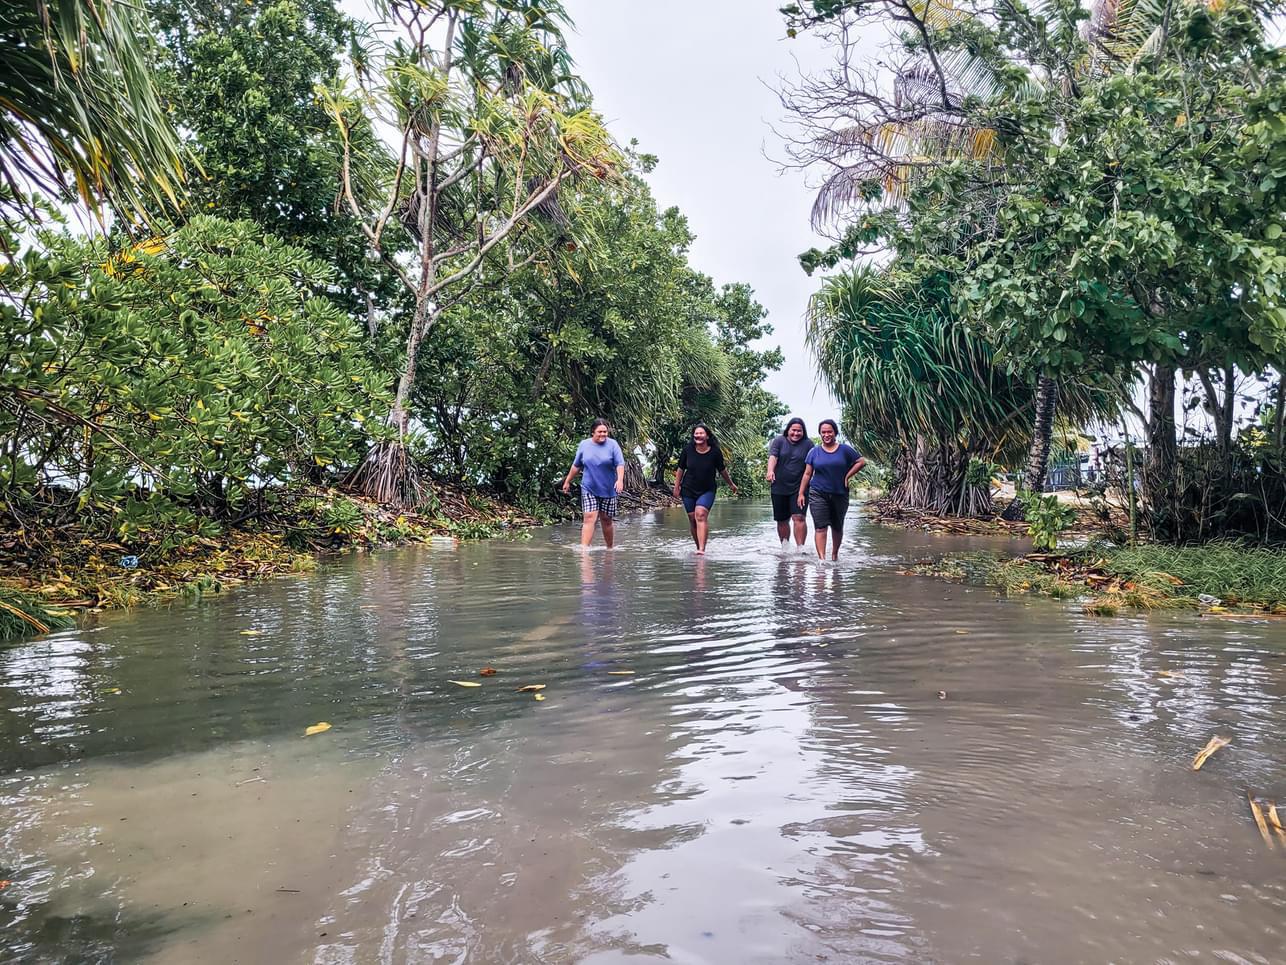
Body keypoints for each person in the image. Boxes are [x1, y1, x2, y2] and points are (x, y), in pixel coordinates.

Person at [797, 419, 866, 561]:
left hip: (840, 493)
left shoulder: (845, 450)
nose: (826, 435)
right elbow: (807, 474)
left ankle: (834, 555)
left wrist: (847, 476)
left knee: (837, 526)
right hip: (817, 493)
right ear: (820, 434)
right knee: (820, 527)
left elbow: (861, 462)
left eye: (829, 432)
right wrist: (801, 493)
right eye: (823, 432)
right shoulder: (814, 452)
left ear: (835, 433)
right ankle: (822, 560)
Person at [672, 423, 738, 555]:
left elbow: (722, 470)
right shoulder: (687, 450)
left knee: (700, 514)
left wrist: (731, 484)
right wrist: (676, 486)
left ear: (707, 436)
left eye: (701, 433)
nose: (698, 435)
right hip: (688, 489)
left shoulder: (715, 452)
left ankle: (702, 549)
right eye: (696, 433)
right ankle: (698, 546)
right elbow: (680, 469)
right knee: (692, 519)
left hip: (707, 489)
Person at [562, 418, 625, 547]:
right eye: (599, 432)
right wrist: (567, 481)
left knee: (606, 520)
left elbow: (620, 464)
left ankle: (609, 548)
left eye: (605, 432)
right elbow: (576, 465)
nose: (603, 434)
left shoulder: (613, 445)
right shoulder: (584, 445)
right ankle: (584, 550)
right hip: (589, 487)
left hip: (608, 488)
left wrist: (619, 480)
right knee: (589, 517)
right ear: (592, 432)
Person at [766, 416, 812, 551]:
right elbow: (773, 456)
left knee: (799, 517)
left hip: (800, 488)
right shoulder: (779, 441)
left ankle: (800, 549)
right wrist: (770, 471)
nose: (796, 433)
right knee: (782, 520)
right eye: (793, 430)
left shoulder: (808, 444)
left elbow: (811, 465)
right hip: (779, 486)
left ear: (803, 432)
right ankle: (785, 547)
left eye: (799, 431)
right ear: (788, 430)